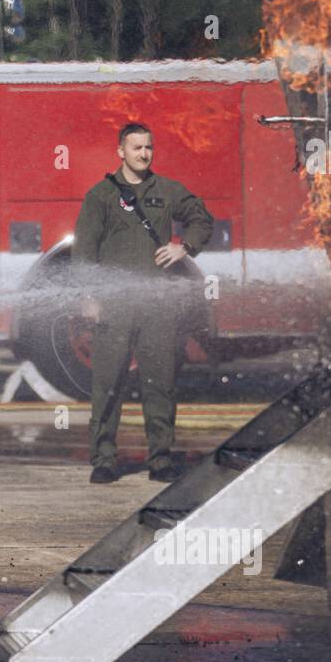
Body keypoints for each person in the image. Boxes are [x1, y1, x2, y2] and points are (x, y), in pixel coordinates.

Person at [73, 121, 213, 485]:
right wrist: (88, 296)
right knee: (107, 384)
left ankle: (161, 458)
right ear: (120, 151)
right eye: (136, 148)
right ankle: (103, 459)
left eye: (148, 147)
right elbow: (84, 251)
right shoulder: (100, 196)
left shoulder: (166, 191)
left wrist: (184, 246)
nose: (144, 154)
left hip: (157, 307)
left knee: (160, 383)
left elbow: (201, 217)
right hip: (114, 306)